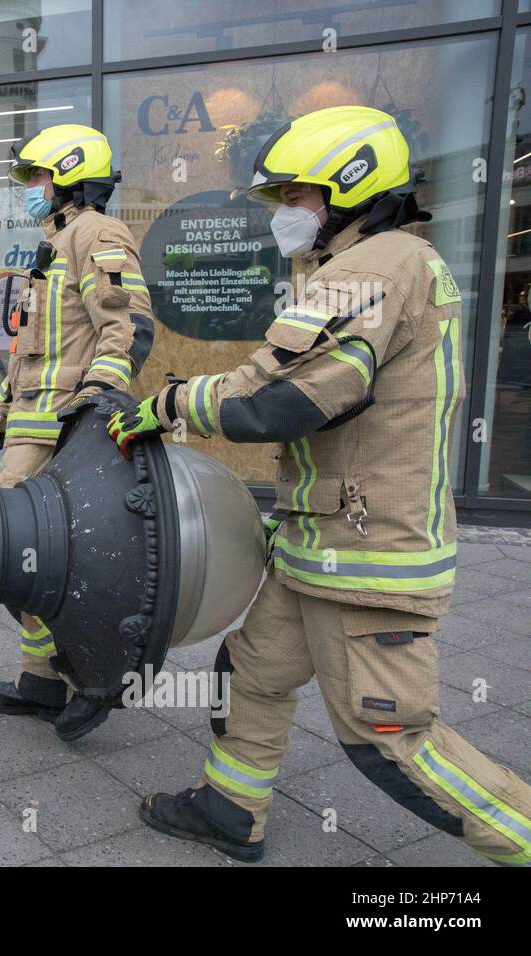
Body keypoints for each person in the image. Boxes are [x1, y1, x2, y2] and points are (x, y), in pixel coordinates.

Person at [109, 105, 531, 865]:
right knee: (252, 673)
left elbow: (279, 401)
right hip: (317, 545)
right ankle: (231, 810)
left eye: (297, 197)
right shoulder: (362, 266)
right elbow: (283, 381)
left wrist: (168, 406)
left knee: (393, 740)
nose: (285, 213)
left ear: (350, 190)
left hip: (368, 558)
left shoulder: (376, 267)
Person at [0, 124, 156, 741]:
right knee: (19, 561)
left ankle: (90, 678)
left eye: (36, 177)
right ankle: (41, 680)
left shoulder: (97, 234)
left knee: (51, 563)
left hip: (61, 434)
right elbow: (36, 351)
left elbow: (127, 325)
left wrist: (93, 408)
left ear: (70, 177)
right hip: (33, 427)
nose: (28, 189)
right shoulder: (54, 243)